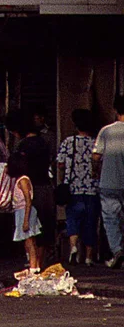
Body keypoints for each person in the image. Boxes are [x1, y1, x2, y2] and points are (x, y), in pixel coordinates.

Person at [57, 108, 100, 266]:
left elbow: (60, 163)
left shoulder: (69, 142)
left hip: (73, 188)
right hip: (92, 188)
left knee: (73, 219)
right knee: (91, 221)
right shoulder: (96, 142)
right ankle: (89, 256)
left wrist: (64, 176)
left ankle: (74, 247)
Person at [14, 114, 54, 263]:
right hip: (45, 186)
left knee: (30, 230)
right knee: (43, 226)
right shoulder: (45, 142)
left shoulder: (22, 146)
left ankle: (33, 263)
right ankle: (40, 262)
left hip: (29, 188)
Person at [93, 94, 124, 269]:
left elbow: (96, 156)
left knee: (111, 220)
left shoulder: (106, 131)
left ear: (115, 110)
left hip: (109, 182)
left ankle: (117, 251)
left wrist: (95, 172)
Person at [7, 153, 41, 275]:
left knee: (29, 240)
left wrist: (26, 219)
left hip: (25, 211)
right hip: (21, 211)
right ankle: (34, 264)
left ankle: (33, 266)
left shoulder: (23, 180)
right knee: (29, 240)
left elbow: (28, 200)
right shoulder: (20, 180)